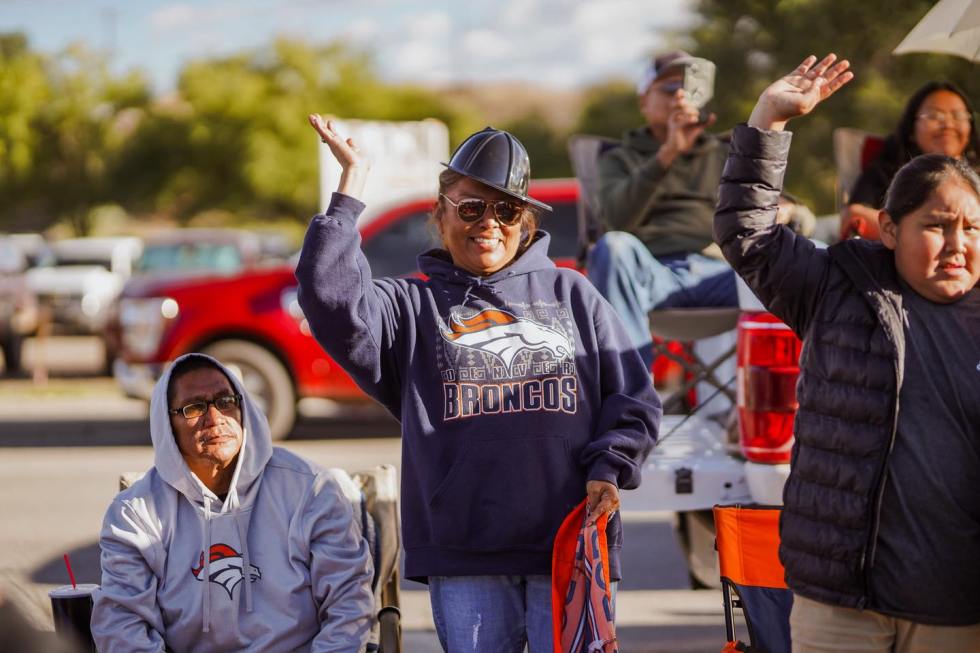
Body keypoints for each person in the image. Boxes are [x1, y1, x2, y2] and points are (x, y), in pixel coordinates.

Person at [296, 117, 661, 652]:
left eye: (506, 209)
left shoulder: (574, 294)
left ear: (527, 222)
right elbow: (329, 300)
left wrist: (611, 466)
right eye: (471, 207)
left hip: (567, 546)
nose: (488, 222)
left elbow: (633, 399)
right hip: (464, 555)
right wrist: (351, 187)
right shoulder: (410, 308)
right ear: (440, 217)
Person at [715, 53, 980, 651]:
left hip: (957, 608)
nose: (957, 245)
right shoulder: (838, 285)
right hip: (840, 602)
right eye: (937, 225)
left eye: (972, 228)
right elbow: (746, 234)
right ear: (889, 229)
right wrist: (769, 122)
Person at [91, 353, 374, 652]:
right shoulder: (135, 513)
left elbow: (349, 605)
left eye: (226, 401)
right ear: (166, 423)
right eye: (194, 407)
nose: (215, 419)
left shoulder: (310, 489)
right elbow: (122, 623)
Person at [586, 50, 736, 368]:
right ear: (644, 100)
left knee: (811, 255)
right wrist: (667, 153)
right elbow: (615, 221)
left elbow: (788, 209)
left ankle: (783, 406)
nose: (680, 96)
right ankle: (631, 399)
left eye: (690, 88)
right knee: (613, 247)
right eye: (669, 88)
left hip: (722, 274)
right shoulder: (618, 159)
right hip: (653, 274)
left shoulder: (726, 155)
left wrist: (791, 214)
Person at [842, 80, 980, 240]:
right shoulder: (888, 170)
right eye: (934, 115)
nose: (948, 124)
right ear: (912, 129)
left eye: (958, 116)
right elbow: (854, 215)